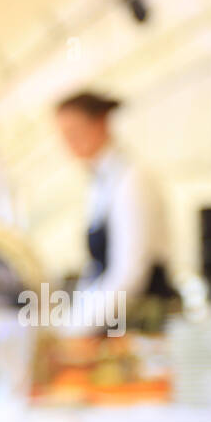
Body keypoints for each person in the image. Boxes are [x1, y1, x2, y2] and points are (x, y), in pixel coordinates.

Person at [54, 90, 179, 332]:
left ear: (101, 124)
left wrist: (77, 329)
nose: (68, 144)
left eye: (74, 132)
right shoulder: (100, 184)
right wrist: (70, 322)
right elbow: (96, 273)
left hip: (144, 323)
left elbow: (129, 273)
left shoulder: (133, 179)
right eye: (64, 136)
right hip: (119, 321)